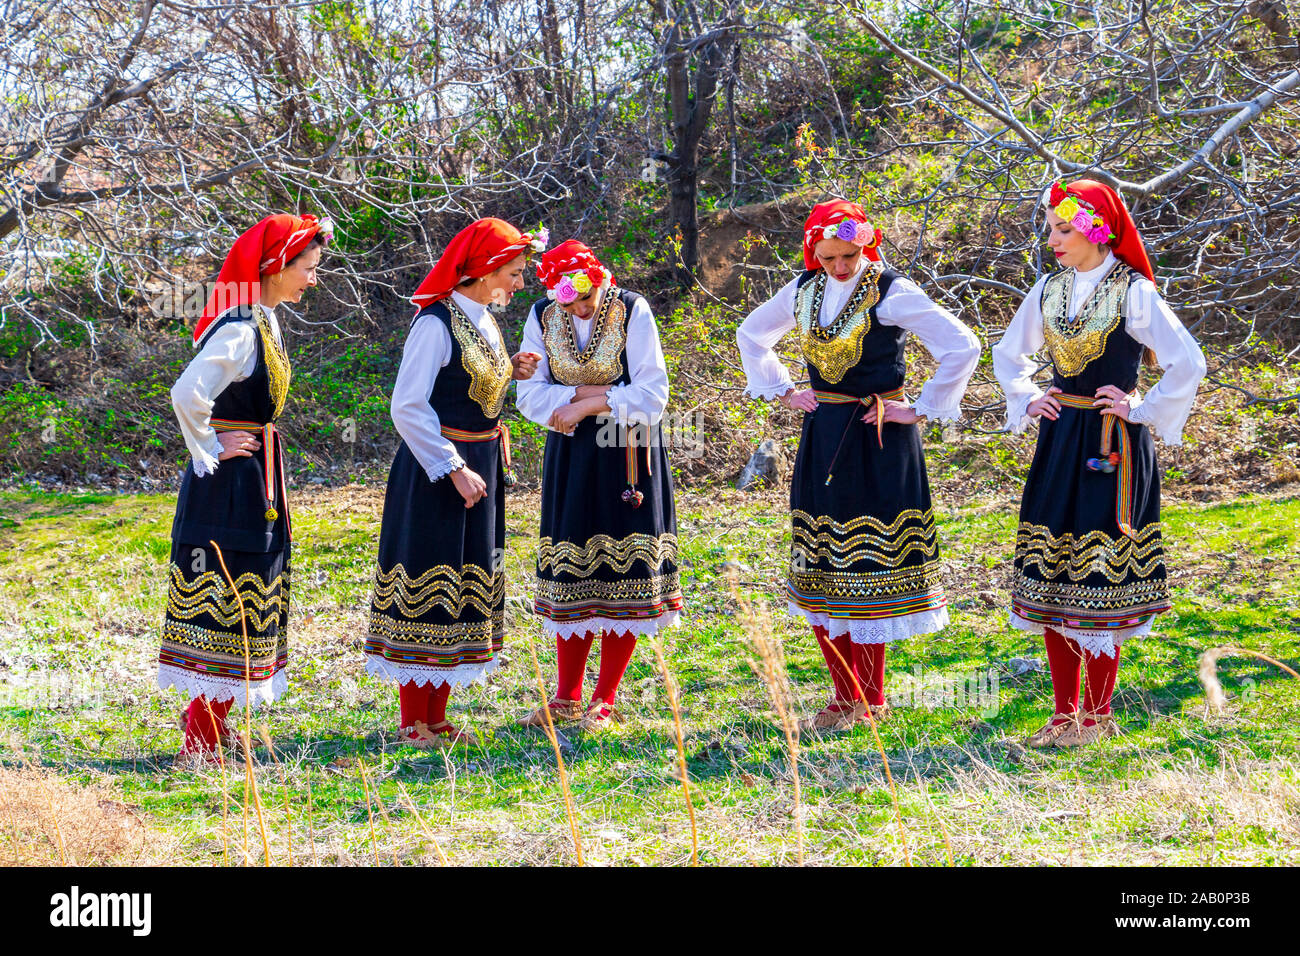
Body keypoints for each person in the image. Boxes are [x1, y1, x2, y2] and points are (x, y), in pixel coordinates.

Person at [736, 200, 981, 731]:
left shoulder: (891, 289)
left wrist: (921, 407)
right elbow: (751, 335)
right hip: (824, 431)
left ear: (865, 244)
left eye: (848, 255)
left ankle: (870, 697)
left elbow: (962, 345)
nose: (840, 266)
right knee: (824, 559)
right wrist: (783, 390)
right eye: (828, 258)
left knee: (867, 563)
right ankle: (842, 695)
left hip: (878, 436)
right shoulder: (802, 289)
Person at [992, 180, 1206, 747]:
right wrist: (1026, 396)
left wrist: (1142, 408)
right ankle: (1064, 714)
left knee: (1098, 571)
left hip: (1112, 445)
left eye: (1064, 229)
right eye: (1051, 229)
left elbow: (1188, 362)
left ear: (1096, 230)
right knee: (1053, 573)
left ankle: (1096, 715)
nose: (1052, 240)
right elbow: (1008, 353)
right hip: (1061, 438)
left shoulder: (1134, 292)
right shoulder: (1048, 288)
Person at [364, 218, 544, 748]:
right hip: (437, 469)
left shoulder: (483, 318)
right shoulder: (434, 324)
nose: (520, 282)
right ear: (484, 270)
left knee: (463, 579)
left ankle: (437, 717)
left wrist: (511, 369)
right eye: (514, 272)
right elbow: (407, 405)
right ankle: (412, 721)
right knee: (430, 576)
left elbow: (468, 382)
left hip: (479, 461)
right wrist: (451, 466)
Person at [160, 212, 331, 762]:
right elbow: (187, 392)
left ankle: (212, 724)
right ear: (275, 266)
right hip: (229, 484)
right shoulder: (240, 329)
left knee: (248, 591)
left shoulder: (264, 318)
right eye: (307, 267)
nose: (312, 279)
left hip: (254, 477)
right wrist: (211, 445)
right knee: (227, 593)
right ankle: (200, 740)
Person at [514, 240, 682, 731]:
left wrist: (586, 403)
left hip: (626, 448)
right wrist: (593, 392)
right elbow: (529, 394)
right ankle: (566, 695)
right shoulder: (542, 315)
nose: (580, 310)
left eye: (585, 300)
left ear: (601, 281)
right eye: (569, 304)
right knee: (574, 566)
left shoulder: (632, 309)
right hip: (570, 451)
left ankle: (603, 699)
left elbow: (653, 394)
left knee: (622, 570)